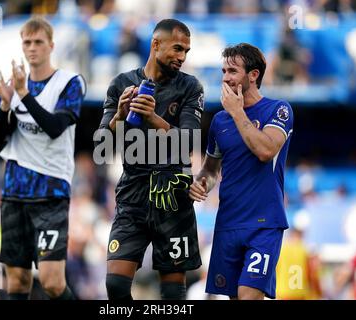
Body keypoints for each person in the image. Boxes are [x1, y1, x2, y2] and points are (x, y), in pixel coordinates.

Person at [96, 19, 204, 300]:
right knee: (116, 286)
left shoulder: (191, 87)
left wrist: (154, 118)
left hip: (172, 195)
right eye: (178, 48)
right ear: (156, 44)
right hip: (133, 194)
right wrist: (120, 115)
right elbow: (103, 147)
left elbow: (190, 140)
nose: (182, 57)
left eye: (186, 51)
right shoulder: (120, 84)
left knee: (172, 293)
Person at [0, 16, 86, 300]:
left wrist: (24, 94)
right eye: (27, 42)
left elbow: (55, 128)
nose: (32, 48)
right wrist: (6, 103)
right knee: (16, 281)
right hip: (15, 191)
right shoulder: (14, 85)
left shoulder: (69, 83)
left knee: (52, 282)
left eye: (38, 42)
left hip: (50, 192)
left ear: (51, 45)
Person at [189, 43, 294, 300]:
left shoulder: (278, 109)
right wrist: (200, 183)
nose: (225, 77)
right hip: (228, 223)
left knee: (248, 295)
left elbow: (266, 151)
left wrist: (237, 113)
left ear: (253, 75)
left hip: (264, 223)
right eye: (224, 70)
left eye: (233, 71)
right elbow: (211, 170)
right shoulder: (219, 121)